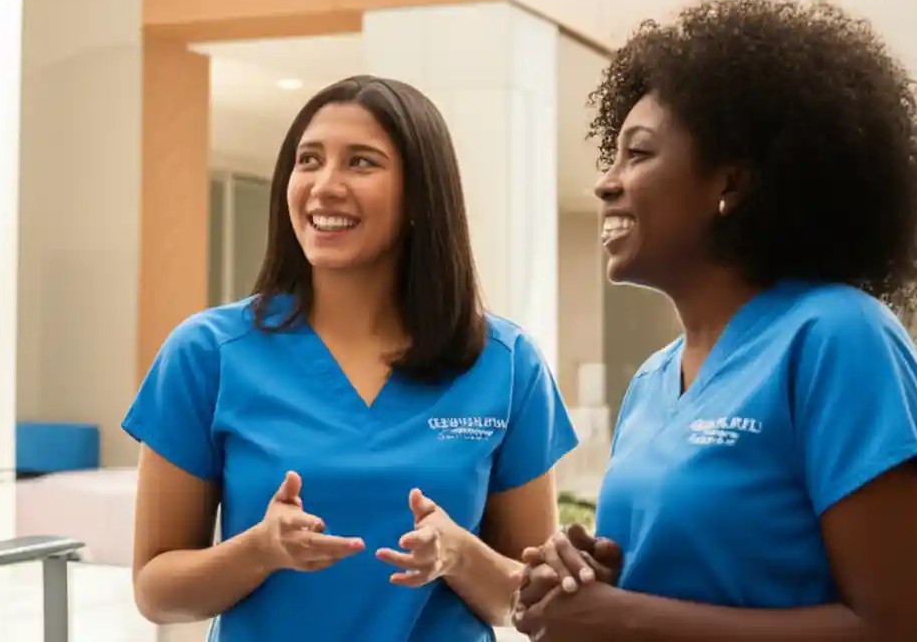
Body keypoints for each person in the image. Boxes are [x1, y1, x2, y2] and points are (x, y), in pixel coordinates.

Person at [513, 0, 917, 641]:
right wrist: (578, 588)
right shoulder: (653, 383)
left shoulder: (838, 337)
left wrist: (624, 616)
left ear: (731, 182)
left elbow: (904, 631)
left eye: (638, 153)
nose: (605, 182)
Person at [123, 74, 579, 641]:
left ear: (420, 195)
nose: (324, 185)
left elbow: (530, 604)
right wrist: (259, 550)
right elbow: (155, 590)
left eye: (361, 163)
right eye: (308, 160)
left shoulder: (506, 364)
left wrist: (461, 555)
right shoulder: (206, 355)